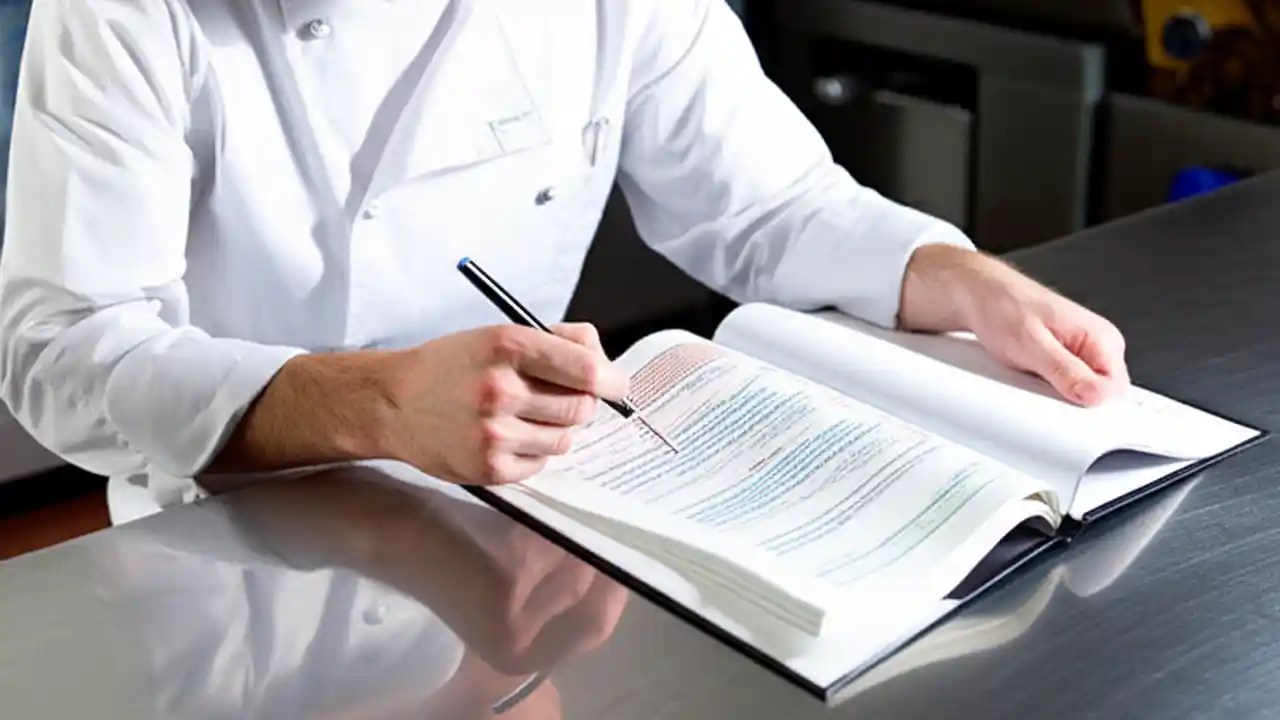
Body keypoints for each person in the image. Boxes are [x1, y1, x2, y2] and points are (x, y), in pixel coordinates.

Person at [0, 0, 1128, 524]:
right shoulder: (119, 12)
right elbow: (62, 352)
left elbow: (771, 204)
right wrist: (381, 404)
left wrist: (957, 273)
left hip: (529, 505)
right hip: (224, 531)